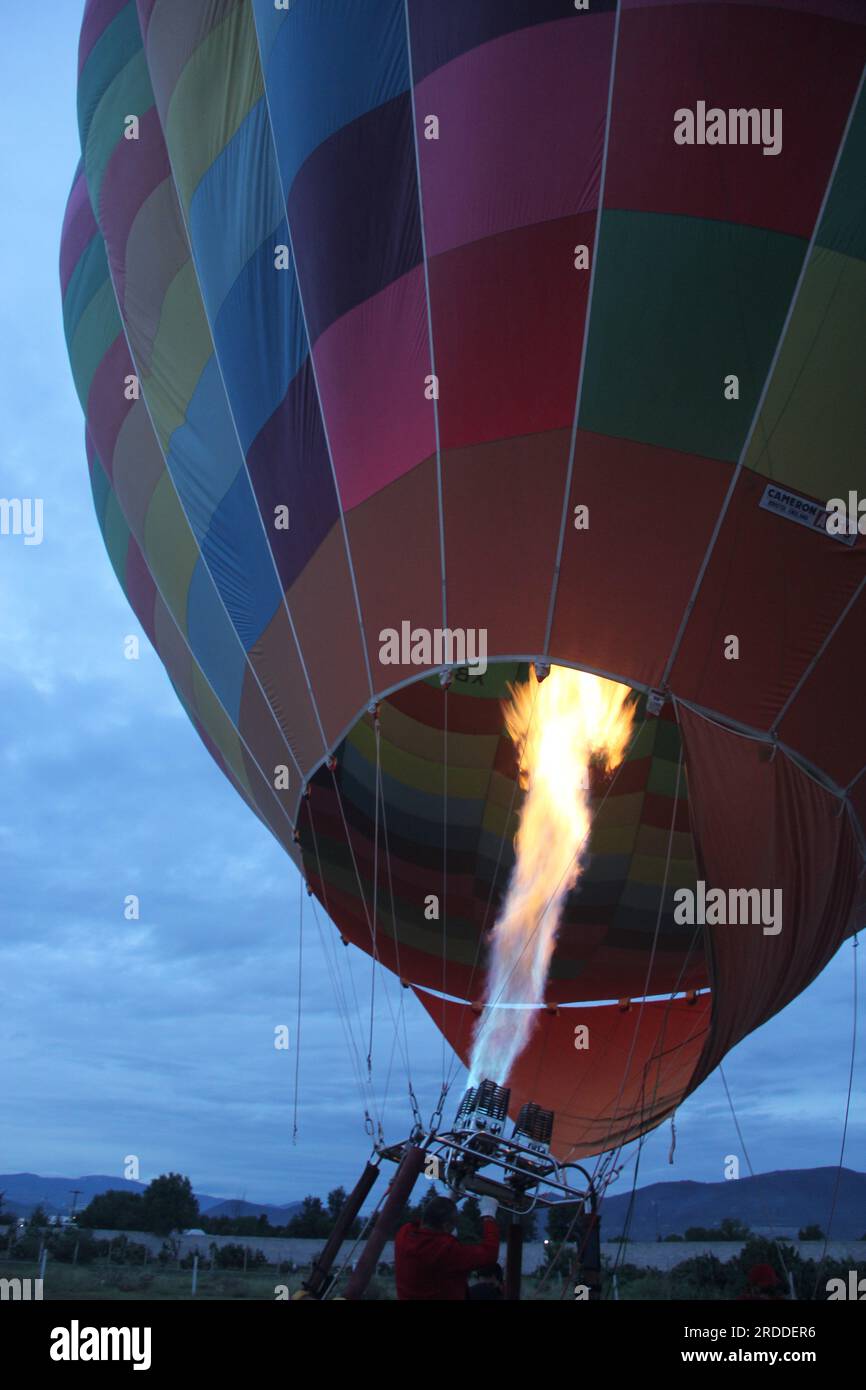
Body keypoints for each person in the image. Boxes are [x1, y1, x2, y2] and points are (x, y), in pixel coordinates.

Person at [395, 1195, 500, 1301]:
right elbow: (489, 1254)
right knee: (488, 1291)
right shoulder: (445, 1250)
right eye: (452, 1226)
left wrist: (449, 1201)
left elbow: (428, 1220)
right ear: (446, 1226)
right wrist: (488, 1215)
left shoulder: (404, 1232)